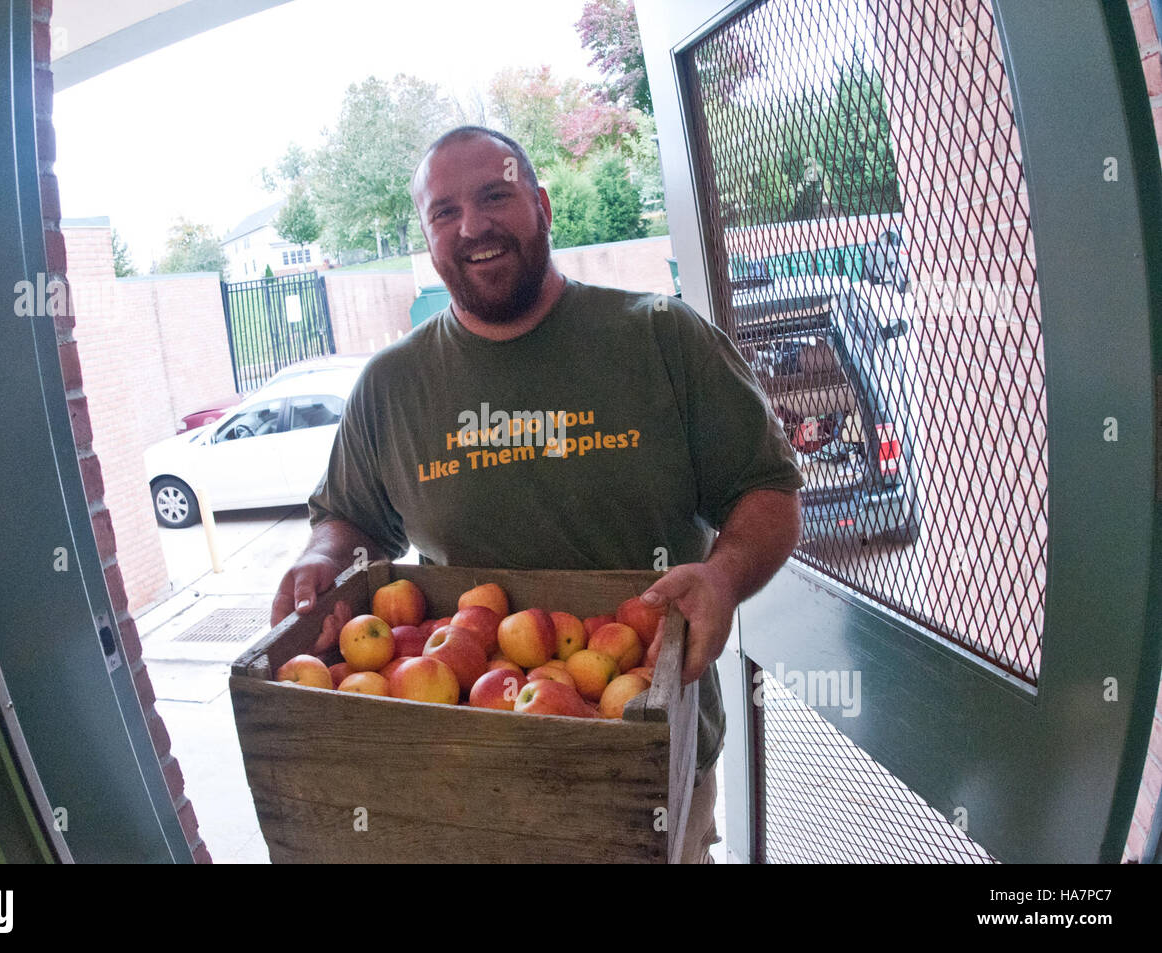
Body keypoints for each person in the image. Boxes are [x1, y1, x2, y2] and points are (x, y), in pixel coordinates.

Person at [270, 126, 804, 863]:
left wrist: (723, 573)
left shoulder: (662, 339)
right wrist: (325, 557)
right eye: (444, 211)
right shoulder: (393, 385)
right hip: (471, 770)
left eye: (496, 195)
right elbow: (351, 519)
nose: (474, 226)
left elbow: (768, 491)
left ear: (543, 205)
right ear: (426, 238)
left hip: (647, 756)